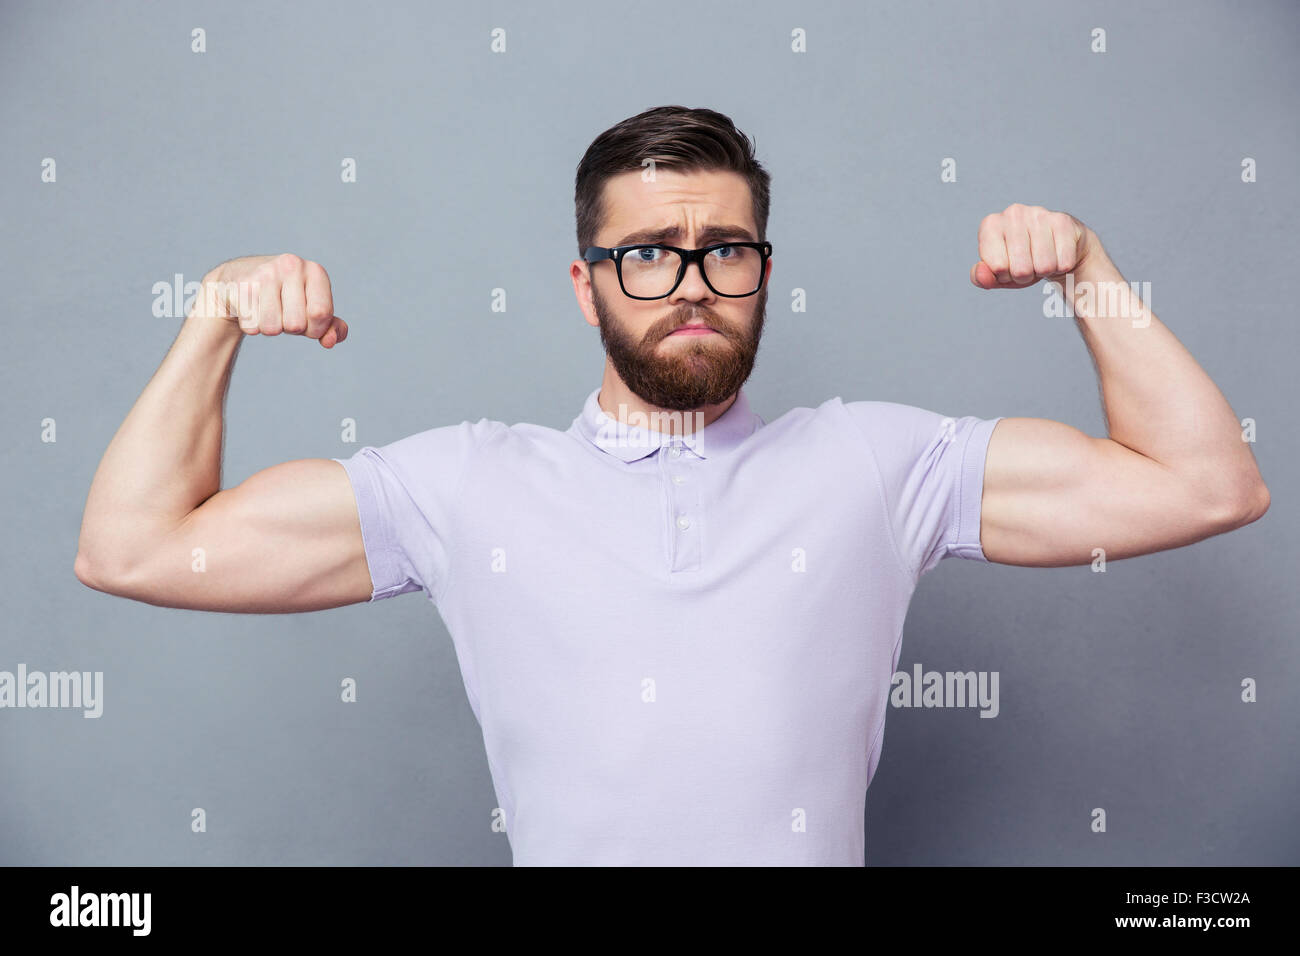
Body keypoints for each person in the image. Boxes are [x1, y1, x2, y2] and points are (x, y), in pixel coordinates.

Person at [74, 105, 1269, 866]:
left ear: (760, 269)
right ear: (586, 285)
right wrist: (211, 321)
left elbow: (1204, 484)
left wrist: (1090, 273)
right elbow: (131, 547)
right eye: (646, 253)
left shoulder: (878, 465)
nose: (690, 281)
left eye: (725, 248)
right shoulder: (465, 487)